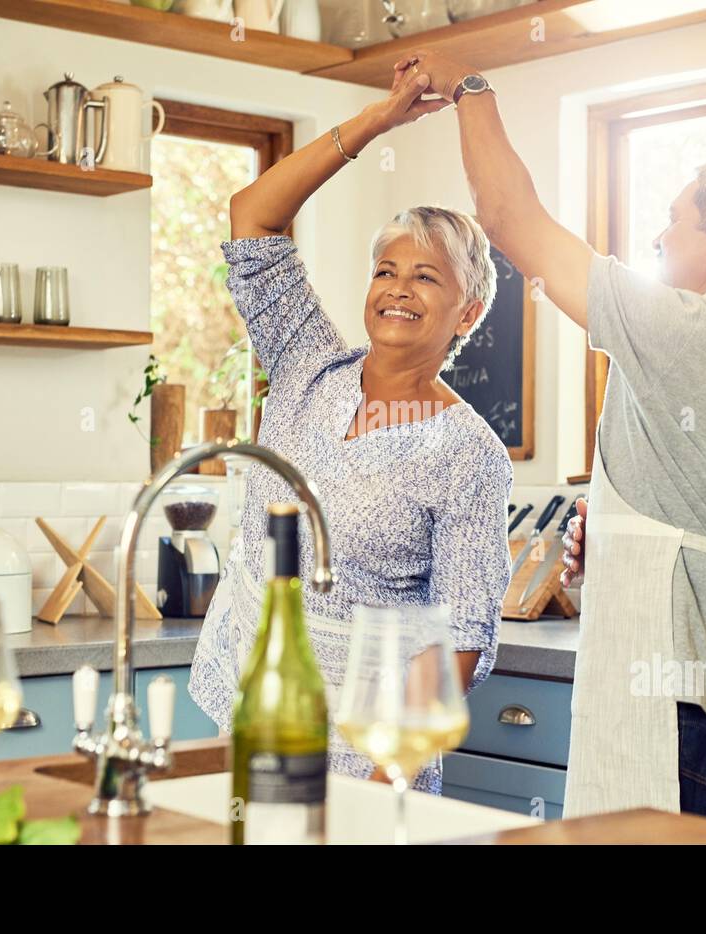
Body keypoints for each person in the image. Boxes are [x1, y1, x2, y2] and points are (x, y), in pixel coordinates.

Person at [403, 51, 706, 824]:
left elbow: (508, 218)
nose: (660, 238)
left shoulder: (689, 328)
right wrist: (628, 542)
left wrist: (470, 83)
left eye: (675, 219)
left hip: (687, 695)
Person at [188, 71, 513, 793]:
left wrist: (385, 772)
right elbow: (252, 218)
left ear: (468, 311)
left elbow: (459, 642)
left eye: (426, 277)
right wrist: (377, 120)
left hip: (367, 747)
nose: (398, 288)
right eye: (386, 269)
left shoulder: (469, 455)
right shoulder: (308, 366)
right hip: (252, 716)